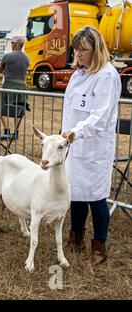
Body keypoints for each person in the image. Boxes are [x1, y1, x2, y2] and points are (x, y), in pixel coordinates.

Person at [61, 26, 122, 265]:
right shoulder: (79, 74)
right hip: (74, 145)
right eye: (76, 49)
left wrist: (77, 131)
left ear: (97, 50)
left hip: (94, 146)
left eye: (83, 50)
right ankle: (75, 237)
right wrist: (64, 135)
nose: (78, 54)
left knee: (96, 196)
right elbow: (71, 112)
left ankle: (99, 247)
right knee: (75, 192)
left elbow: (100, 116)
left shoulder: (106, 75)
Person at [0, 36, 30, 136]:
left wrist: (7, 72)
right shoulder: (27, 58)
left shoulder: (7, 56)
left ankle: (7, 130)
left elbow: (0, 70)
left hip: (9, 84)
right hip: (22, 86)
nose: (11, 44)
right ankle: (16, 131)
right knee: (19, 108)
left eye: (12, 43)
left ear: (15, 44)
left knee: (1, 107)